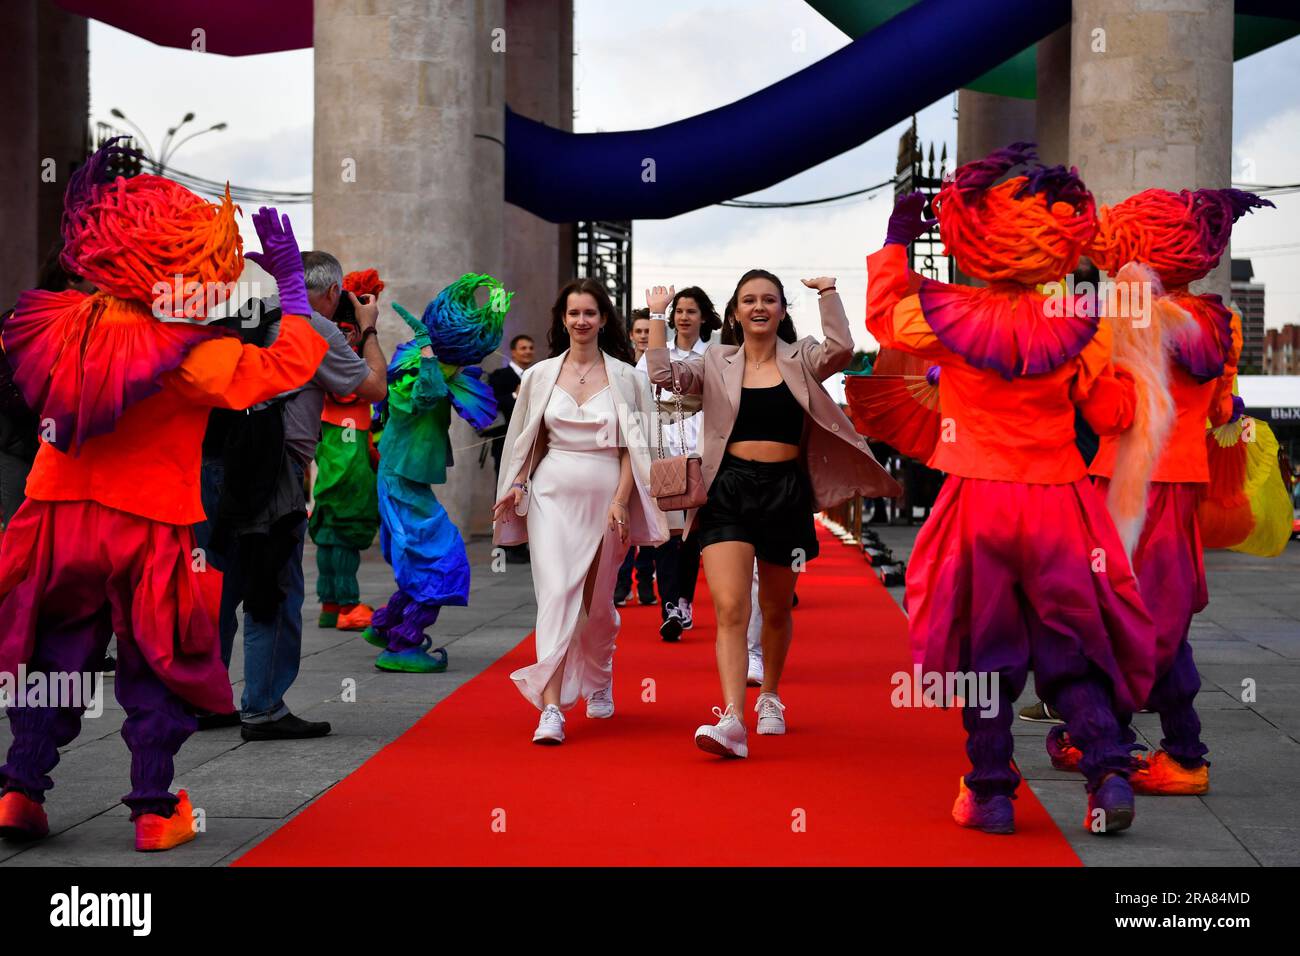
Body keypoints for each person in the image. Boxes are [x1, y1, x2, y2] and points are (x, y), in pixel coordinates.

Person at [0, 139, 329, 851]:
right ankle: (153, 809)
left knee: (56, 656)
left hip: (56, 515)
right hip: (148, 523)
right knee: (155, 658)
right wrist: (293, 291)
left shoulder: (62, 321)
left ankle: (20, 788)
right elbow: (284, 368)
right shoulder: (190, 348)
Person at [866, 145, 1157, 835]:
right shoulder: (1082, 326)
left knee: (982, 647)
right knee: (1071, 644)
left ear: (979, 239)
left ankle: (992, 791)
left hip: (979, 504)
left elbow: (886, 321)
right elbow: (1110, 416)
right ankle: (1109, 770)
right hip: (1060, 502)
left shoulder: (949, 319)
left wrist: (896, 243)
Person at [1045, 187, 1272, 795]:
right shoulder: (1190, 313)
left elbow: (1187, 369)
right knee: (1108, 610)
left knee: (1147, 619)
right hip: (1123, 481)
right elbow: (1219, 399)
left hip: (1157, 486)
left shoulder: (1192, 318)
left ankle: (1170, 749)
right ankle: (1111, 733)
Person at [646, 272, 898, 759]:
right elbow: (662, 377)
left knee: (777, 610)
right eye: (748, 300)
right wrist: (657, 317)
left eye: (768, 300)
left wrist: (828, 292)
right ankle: (733, 720)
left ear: (782, 309)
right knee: (730, 608)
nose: (758, 307)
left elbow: (842, 349)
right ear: (735, 313)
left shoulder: (801, 356)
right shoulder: (717, 360)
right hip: (728, 489)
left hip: (787, 492)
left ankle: (770, 696)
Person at [197, 250, 387, 739]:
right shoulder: (314, 328)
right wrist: (367, 328)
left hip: (215, 465)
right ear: (329, 291)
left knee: (220, 587)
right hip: (272, 471)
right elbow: (374, 389)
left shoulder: (241, 316)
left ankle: (207, 700)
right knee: (274, 589)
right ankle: (263, 708)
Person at [494, 279, 667, 745]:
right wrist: (515, 485)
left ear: (603, 318)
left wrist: (620, 500)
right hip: (551, 494)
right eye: (573, 313)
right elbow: (529, 440)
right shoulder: (539, 375)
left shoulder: (630, 376)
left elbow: (641, 445)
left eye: (590, 312)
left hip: (608, 495)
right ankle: (551, 707)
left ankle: (599, 674)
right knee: (555, 595)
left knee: (596, 606)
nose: (581, 321)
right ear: (563, 318)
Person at [362, 274, 511, 672]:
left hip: (404, 478)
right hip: (399, 480)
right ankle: (402, 645)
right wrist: (428, 351)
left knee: (421, 557)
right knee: (443, 560)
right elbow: (422, 396)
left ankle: (387, 624)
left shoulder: (441, 368)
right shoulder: (417, 366)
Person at [638, 287, 720, 639]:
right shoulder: (656, 353)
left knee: (692, 530)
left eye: (691, 310)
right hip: (664, 445)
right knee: (665, 529)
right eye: (679, 311)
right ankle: (670, 604)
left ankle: (683, 599)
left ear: (704, 316)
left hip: (703, 447)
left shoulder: (717, 354)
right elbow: (638, 394)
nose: (684, 317)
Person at [310, 268, 388, 632]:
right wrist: (367, 331)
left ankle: (331, 604)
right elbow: (352, 387)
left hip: (337, 433)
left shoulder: (327, 330)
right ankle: (347, 605)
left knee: (330, 520)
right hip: (345, 434)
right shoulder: (342, 335)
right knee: (345, 517)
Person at [0, 246, 95, 530]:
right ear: (71, 278)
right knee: (19, 535)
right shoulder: (27, 319)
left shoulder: (91, 320)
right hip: (17, 447)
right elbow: (8, 386)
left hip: (51, 452)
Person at [488, 333, 536, 564]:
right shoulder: (500, 376)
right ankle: (505, 544)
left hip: (533, 444)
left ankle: (523, 542)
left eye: (530, 348)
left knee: (527, 489)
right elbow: (493, 403)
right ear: (513, 351)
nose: (527, 352)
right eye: (523, 348)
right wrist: (516, 395)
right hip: (505, 442)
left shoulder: (538, 375)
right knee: (505, 487)